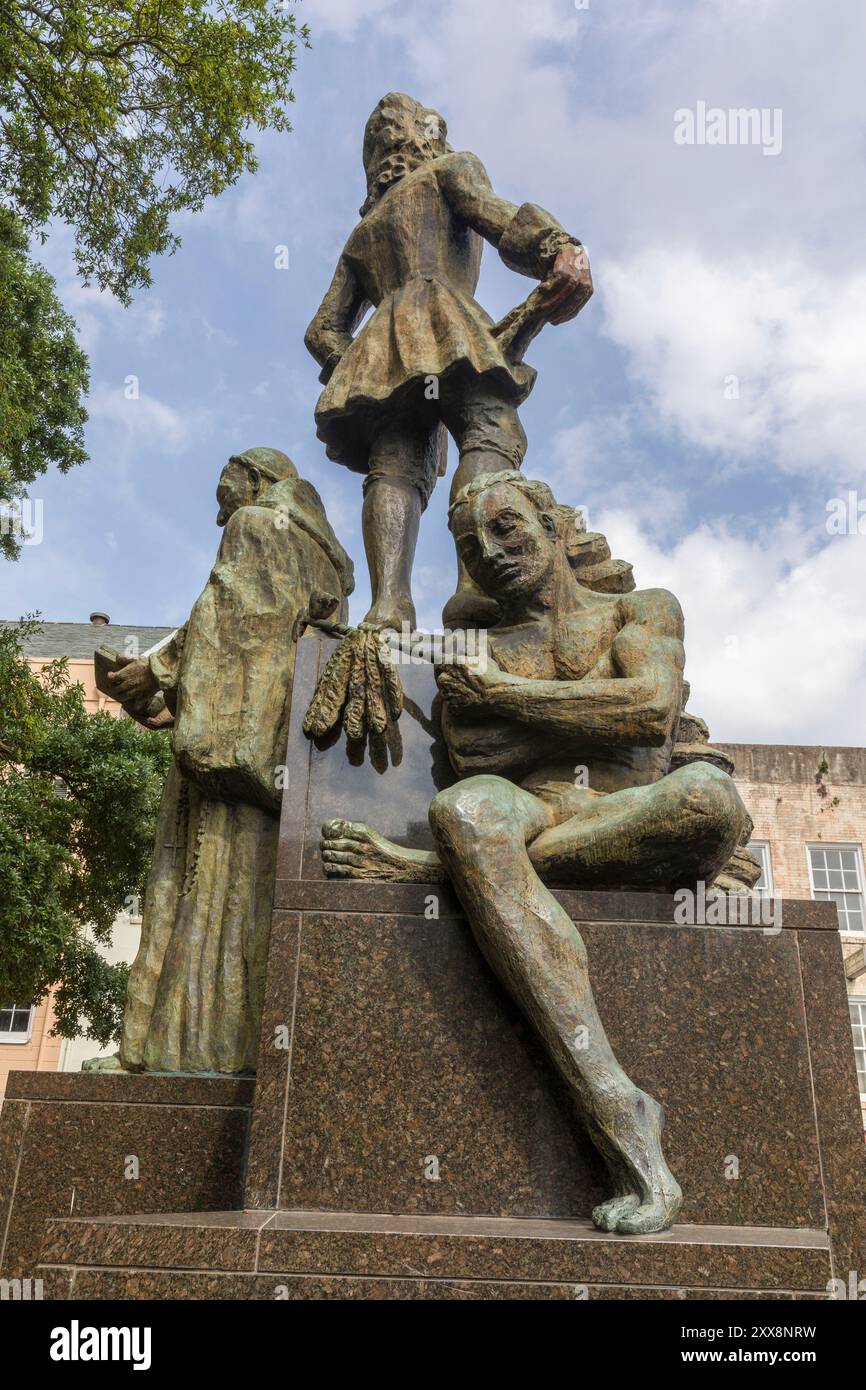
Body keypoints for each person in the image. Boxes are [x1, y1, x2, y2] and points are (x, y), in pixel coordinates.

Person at [321, 471, 751, 1232]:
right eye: (468, 546)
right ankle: (617, 1105)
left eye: (506, 529)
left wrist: (511, 700)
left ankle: (446, 869)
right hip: (534, 808)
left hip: (635, 809)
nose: (489, 553)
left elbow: (649, 709)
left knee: (707, 800)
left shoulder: (641, 608)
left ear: (553, 528)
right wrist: (575, 714)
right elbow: (478, 753)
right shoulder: (474, 646)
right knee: (464, 807)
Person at [93, 448, 353, 1074]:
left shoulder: (259, 525)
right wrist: (169, 693)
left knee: (207, 886)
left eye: (223, 494)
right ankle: (226, 1048)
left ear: (259, 480)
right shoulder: (321, 554)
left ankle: (175, 1051)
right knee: (246, 894)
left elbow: (233, 620)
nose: (220, 516)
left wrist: (153, 674)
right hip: (284, 747)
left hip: (237, 758)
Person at [304, 92, 592, 630]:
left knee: (394, 465)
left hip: (384, 347)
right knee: (490, 434)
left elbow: (323, 330)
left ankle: (389, 605)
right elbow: (501, 220)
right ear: (424, 136)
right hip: (451, 325)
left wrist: (363, 366)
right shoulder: (449, 171)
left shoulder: (362, 232)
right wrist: (559, 246)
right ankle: (476, 588)